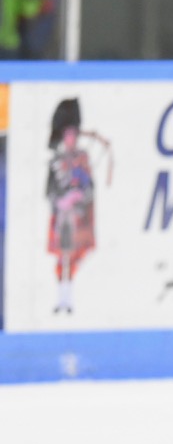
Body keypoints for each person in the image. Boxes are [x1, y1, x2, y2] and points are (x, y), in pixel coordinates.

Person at [46, 98, 95, 316]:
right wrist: (61, 201)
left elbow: (89, 188)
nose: (71, 138)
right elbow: (49, 191)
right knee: (61, 259)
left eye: (73, 133)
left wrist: (78, 196)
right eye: (67, 134)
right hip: (62, 215)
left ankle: (70, 300)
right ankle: (60, 299)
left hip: (76, 217)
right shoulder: (56, 161)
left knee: (73, 260)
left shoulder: (82, 159)